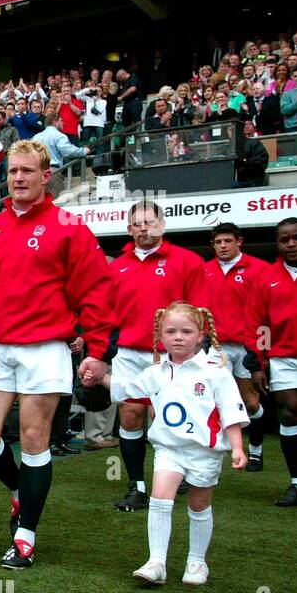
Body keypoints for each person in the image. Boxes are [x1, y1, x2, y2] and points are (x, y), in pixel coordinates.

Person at [0, 140, 114, 569]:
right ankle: (18, 490)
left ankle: (26, 534)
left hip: (45, 348)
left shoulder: (69, 226)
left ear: (46, 176)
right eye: (13, 172)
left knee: (33, 439)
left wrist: (99, 349)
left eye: (27, 171)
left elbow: (96, 291)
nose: (19, 179)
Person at [96, 303, 248, 586]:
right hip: (168, 449)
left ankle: (197, 561)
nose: (179, 337)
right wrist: (100, 377)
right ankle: (156, 562)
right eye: (171, 331)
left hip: (204, 452)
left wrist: (237, 448)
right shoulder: (155, 372)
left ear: (201, 335)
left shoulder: (216, 372)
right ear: (161, 336)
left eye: (186, 331)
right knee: (160, 499)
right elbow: (127, 388)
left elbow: (231, 411)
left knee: (199, 505)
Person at [104, 200, 206, 511]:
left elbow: (201, 311)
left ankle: (179, 473)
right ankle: (137, 486)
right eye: (138, 223)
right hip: (129, 353)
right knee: (130, 416)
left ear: (162, 226)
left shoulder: (188, 261)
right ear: (129, 229)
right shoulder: (116, 267)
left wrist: (198, 353)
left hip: (172, 355)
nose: (144, 227)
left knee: (169, 417)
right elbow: (106, 312)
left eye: (151, 221)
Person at [250, 218, 297, 507]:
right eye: (284, 239)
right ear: (277, 243)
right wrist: (259, 364)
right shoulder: (267, 276)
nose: (291, 244)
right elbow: (260, 324)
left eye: (296, 238)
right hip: (286, 358)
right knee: (290, 414)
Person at [199, 222, 267, 469]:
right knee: (213, 398)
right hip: (217, 346)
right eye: (218, 242)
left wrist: (263, 350)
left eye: (227, 241)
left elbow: (268, 314)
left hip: (248, 346)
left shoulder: (259, 269)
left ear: (239, 241)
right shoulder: (203, 270)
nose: (223, 246)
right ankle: (211, 450)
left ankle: (256, 450)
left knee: (251, 403)